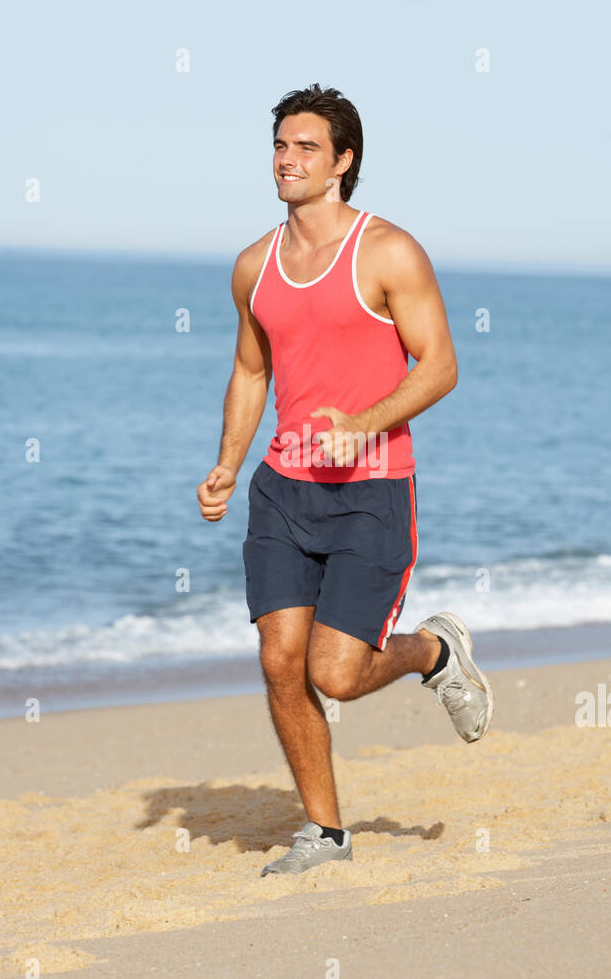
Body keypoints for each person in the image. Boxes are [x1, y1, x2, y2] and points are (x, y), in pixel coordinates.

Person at [197, 84, 493, 876]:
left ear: (343, 163)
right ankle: (325, 833)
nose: (287, 160)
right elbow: (250, 370)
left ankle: (432, 651)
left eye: (306, 148)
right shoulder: (254, 267)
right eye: (281, 146)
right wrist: (228, 462)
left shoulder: (389, 251)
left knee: (336, 671)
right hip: (282, 492)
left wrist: (360, 424)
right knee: (278, 660)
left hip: (371, 491)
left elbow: (441, 367)